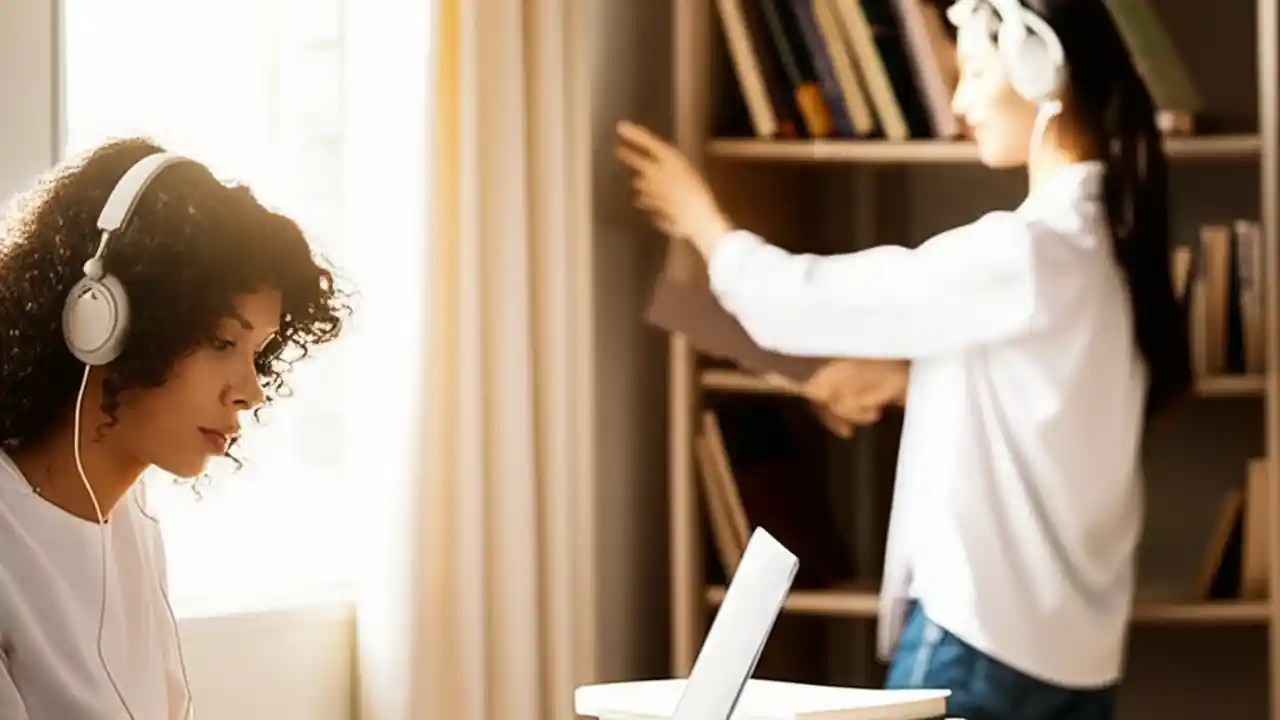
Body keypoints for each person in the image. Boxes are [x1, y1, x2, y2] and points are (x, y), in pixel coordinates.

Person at [615, 0, 1189, 716]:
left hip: (982, 644)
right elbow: (1045, 401)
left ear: (1042, 76)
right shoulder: (1108, 246)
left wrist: (701, 218)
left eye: (975, 73)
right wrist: (908, 382)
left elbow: (798, 301)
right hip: (1079, 658)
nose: (957, 103)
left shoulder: (1026, 252)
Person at [0, 138, 348, 719]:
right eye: (221, 343)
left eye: (256, 353)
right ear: (105, 321)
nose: (250, 389)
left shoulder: (130, 518)